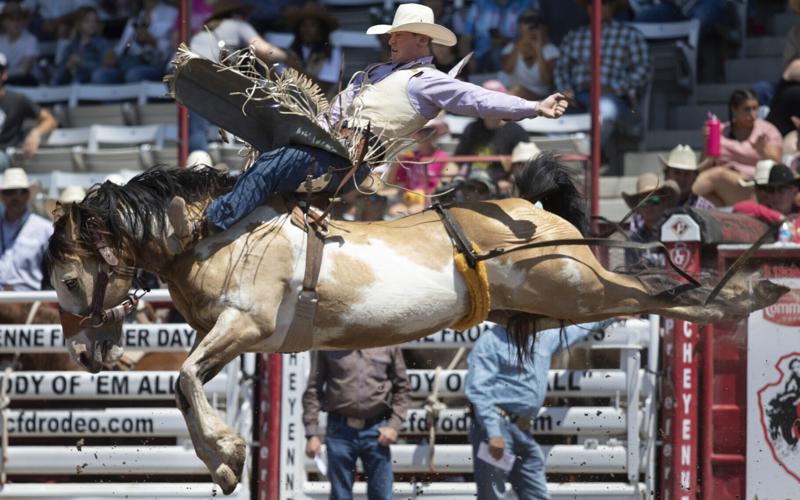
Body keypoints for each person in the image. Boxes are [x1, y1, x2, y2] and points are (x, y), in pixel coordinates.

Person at [167, 3, 569, 252]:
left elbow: (479, 99)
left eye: (397, 35)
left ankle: (208, 225)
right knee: (273, 161)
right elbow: (330, 115)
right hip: (325, 147)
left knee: (274, 165)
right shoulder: (371, 74)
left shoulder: (428, 81)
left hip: (347, 161)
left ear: (420, 41)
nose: (391, 40)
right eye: (391, 35)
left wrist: (534, 106)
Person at [465, 320, 612, 500]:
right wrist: (493, 433)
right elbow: (477, 389)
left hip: (519, 429)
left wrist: (613, 314)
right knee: (494, 495)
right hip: (496, 428)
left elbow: (578, 329)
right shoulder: (491, 341)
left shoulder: (542, 338)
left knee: (532, 489)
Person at [555, 0, 651, 172]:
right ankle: (576, 163)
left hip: (614, 99)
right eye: (592, 3)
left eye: (605, 2)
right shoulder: (574, 36)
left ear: (612, 6)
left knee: (605, 109)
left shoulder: (629, 34)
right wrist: (566, 91)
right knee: (552, 116)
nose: (599, 7)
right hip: (579, 98)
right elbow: (560, 69)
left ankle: (586, 158)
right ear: (587, 8)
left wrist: (617, 88)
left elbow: (644, 69)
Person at [302, 348, 410, 500]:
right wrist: (311, 434)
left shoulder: (386, 342)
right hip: (340, 430)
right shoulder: (330, 343)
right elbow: (313, 389)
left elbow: (403, 388)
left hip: (377, 429)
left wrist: (394, 425)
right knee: (340, 495)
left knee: (382, 494)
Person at [188, 0, 295, 152]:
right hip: (207, 73)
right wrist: (288, 58)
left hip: (184, 70)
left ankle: (198, 161)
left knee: (197, 126)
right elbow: (264, 50)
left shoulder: (205, 30)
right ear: (236, 14)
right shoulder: (239, 25)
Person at [692, 89, 783, 207]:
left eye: (755, 108)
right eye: (747, 109)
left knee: (717, 175)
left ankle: (677, 198)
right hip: (724, 190)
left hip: (754, 189)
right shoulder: (720, 132)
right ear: (734, 110)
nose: (752, 113)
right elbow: (703, 167)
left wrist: (762, 150)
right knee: (705, 200)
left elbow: (778, 166)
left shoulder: (766, 131)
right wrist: (707, 143)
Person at [453, 79, 530, 178]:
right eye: (485, 102)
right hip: (472, 184)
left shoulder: (516, 131)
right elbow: (457, 161)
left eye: (495, 102)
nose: (489, 107)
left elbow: (523, 165)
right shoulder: (472, 129)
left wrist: (508, 183)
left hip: (502, 186)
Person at [0, 52, 59, 171]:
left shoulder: (17, 99)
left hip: (5, 154)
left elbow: (50, 120)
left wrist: (35, 133)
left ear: (4, 74)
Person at [0, 168, 54, 291]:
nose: (15, 197)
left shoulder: (46, 229)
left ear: (28, 195)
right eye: (9, 192)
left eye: (20, 192)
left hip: (30, 300)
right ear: (2, 196)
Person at [108, 0, 178, 82]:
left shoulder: (172, 13)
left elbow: (174, 48)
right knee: (102, 74)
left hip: (159, 64)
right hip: (132, 61)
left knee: (133, 74)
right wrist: (112, 54)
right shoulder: (136, 16)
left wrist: (153, 41)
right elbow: (123, 46)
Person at [457, 0, 536, 73]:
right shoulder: (480, 4)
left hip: (516, 58)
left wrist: (505, 41)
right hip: (480, 60)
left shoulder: (526, 3)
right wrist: (469, 60)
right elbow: (465, 38)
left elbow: (536, 34)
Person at [622, 173, 680, 269]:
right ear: (638, 208)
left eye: (654, 200)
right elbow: (630, 275)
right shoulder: (633, 240)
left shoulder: (676, 233)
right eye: (644, 202)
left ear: (665, 202)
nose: (649, 206)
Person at [500, 11, 559, 100]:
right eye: (526, 20)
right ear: (520, 27)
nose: (532, 24)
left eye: (537, 20)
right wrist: (519, 44)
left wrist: (538, 48)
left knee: (516, 91)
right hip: (511, 91)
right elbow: (507, 70)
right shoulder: (510, 48)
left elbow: (547, 81)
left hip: (538, 96)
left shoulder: (551, 50)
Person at [285, 2, 342, 94]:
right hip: (291, 104)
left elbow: (325, 88)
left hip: (322, 106)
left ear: (321, 29)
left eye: (312, 25)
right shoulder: (290, 52)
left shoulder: (332, 53)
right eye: (303, 25)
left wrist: (297, 69)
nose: (307, 30)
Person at [52, 6, 114, 85]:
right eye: (87, 21)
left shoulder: (102, 43)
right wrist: (67, 66)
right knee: (58, 80)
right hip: (74, 81)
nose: (92, 24)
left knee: (89, 77)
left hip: (91, 81)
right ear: (79, 23)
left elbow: (107, 67)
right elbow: (59, 73)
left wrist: (82, 63)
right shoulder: (71, 46)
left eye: (95, 21)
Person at [733, 160, 799, 225]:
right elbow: (739, 207)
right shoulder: (764, 213)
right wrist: (778, 217)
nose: (775, 195)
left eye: (781, 189)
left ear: (794, 191)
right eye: (770, 190)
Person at [0, 2, 39, 86]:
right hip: (6, 82)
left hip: (28, 83)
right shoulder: (1, 40)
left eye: (19, 19)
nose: (16, 23)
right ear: (3, 22)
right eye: (11, 20)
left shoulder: (31, 39)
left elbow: (24, 69)